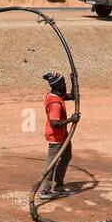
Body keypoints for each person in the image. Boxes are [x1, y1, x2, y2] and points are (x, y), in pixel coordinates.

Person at [40, 71, 78, 200]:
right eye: (63, 83)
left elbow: (73, 96)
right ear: (57, 85)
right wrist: (71, 120)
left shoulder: (56, 95)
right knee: (52, 164)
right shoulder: (55, 103)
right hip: (55, 137)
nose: (65, 85)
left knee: (66, 157)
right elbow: (54, 123)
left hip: (63, 135)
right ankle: (44, 191)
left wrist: (74, 81)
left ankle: (58, 185)